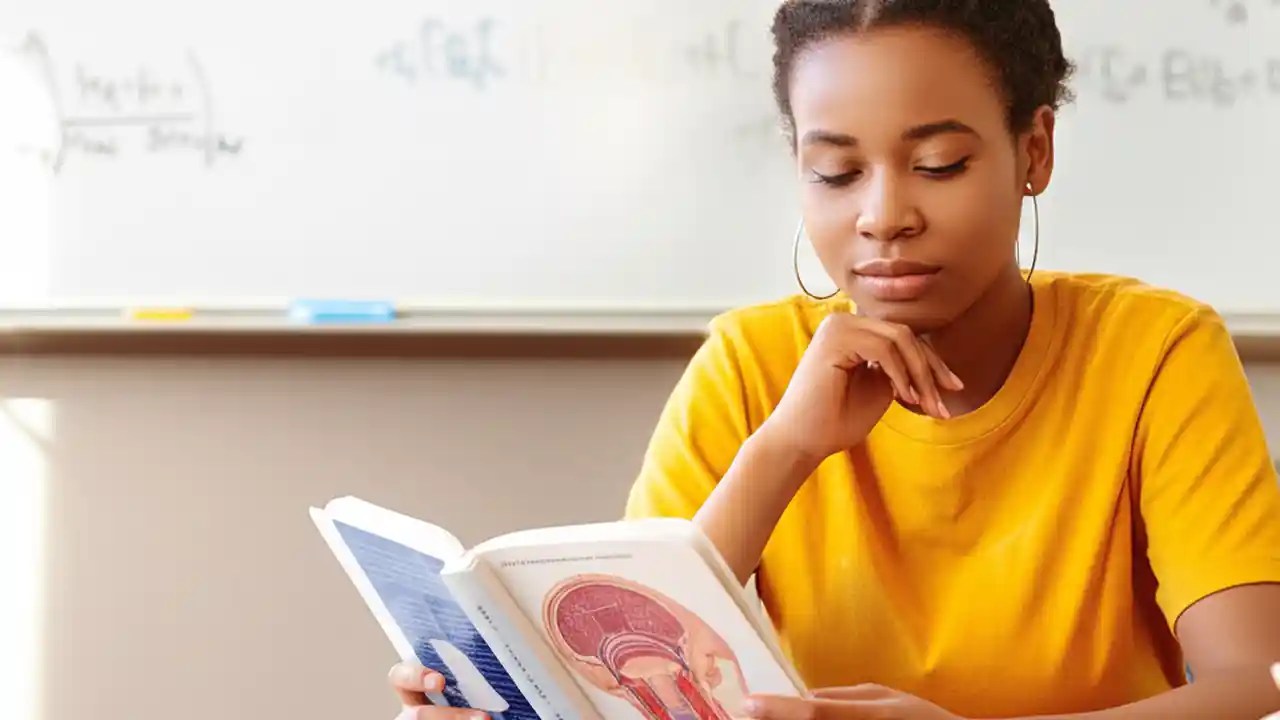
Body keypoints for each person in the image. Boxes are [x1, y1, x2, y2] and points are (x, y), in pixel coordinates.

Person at [389, 1, 1280, 718]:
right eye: (836, 173)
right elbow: (623, 674)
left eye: (938, 164)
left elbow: (1252, 691)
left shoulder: (1156, 353)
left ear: (1032, 151)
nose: (883, 215)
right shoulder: (749, 363)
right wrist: (785, 448)